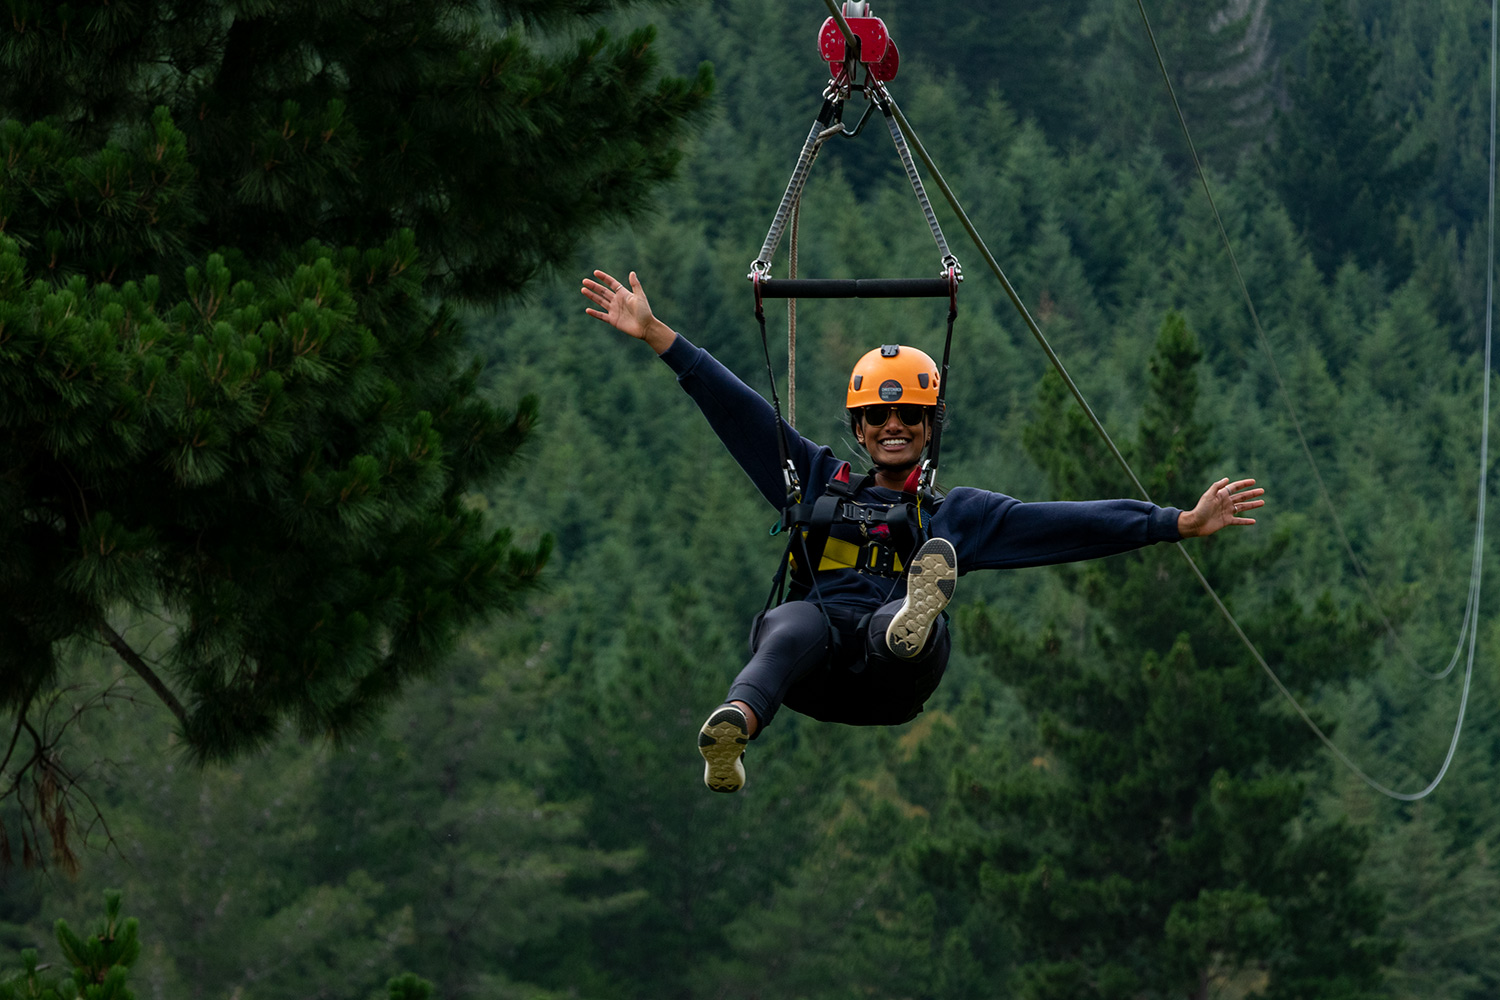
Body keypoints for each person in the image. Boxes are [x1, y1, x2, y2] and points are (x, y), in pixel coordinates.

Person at [581, 268, 1266, 793]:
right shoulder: (815, 479)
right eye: (878, 419)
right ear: (858, 429)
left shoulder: (955, 514)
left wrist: (1174, 522)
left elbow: (1065, 526)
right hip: (811, 670)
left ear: (930, 425)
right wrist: (657, 335)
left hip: (895, 677)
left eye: (911, 413)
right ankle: (733, 729)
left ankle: (910, 615)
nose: (894, 426)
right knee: (790, 623)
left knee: (899, 628)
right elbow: (737, 410)